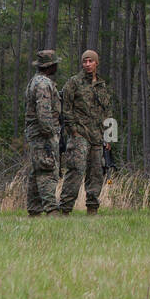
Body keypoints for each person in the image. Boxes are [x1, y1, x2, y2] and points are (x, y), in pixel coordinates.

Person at [60, 49, 114, 216]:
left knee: (96, 173)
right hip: (80, 135)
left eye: (91, 61)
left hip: (98, 137)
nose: (87, 64)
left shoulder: (102, 85)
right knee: (75, 170)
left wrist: (109, 137)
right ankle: (65, 208)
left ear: (96, 63)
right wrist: (73, 130)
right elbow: (65, 108)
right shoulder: (73, 83)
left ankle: (92, 208)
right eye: (85, 61)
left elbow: (108, 112)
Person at [24, 48, 62, 218]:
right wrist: (50, 132)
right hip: (42, 135)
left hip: (35, 134)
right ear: (50, 66)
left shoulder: (35, 81)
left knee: (36, 170)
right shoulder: (43, 84)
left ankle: (34, 209)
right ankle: (51, 209)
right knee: (47, 169)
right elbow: (44, 112)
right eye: (55, 64)